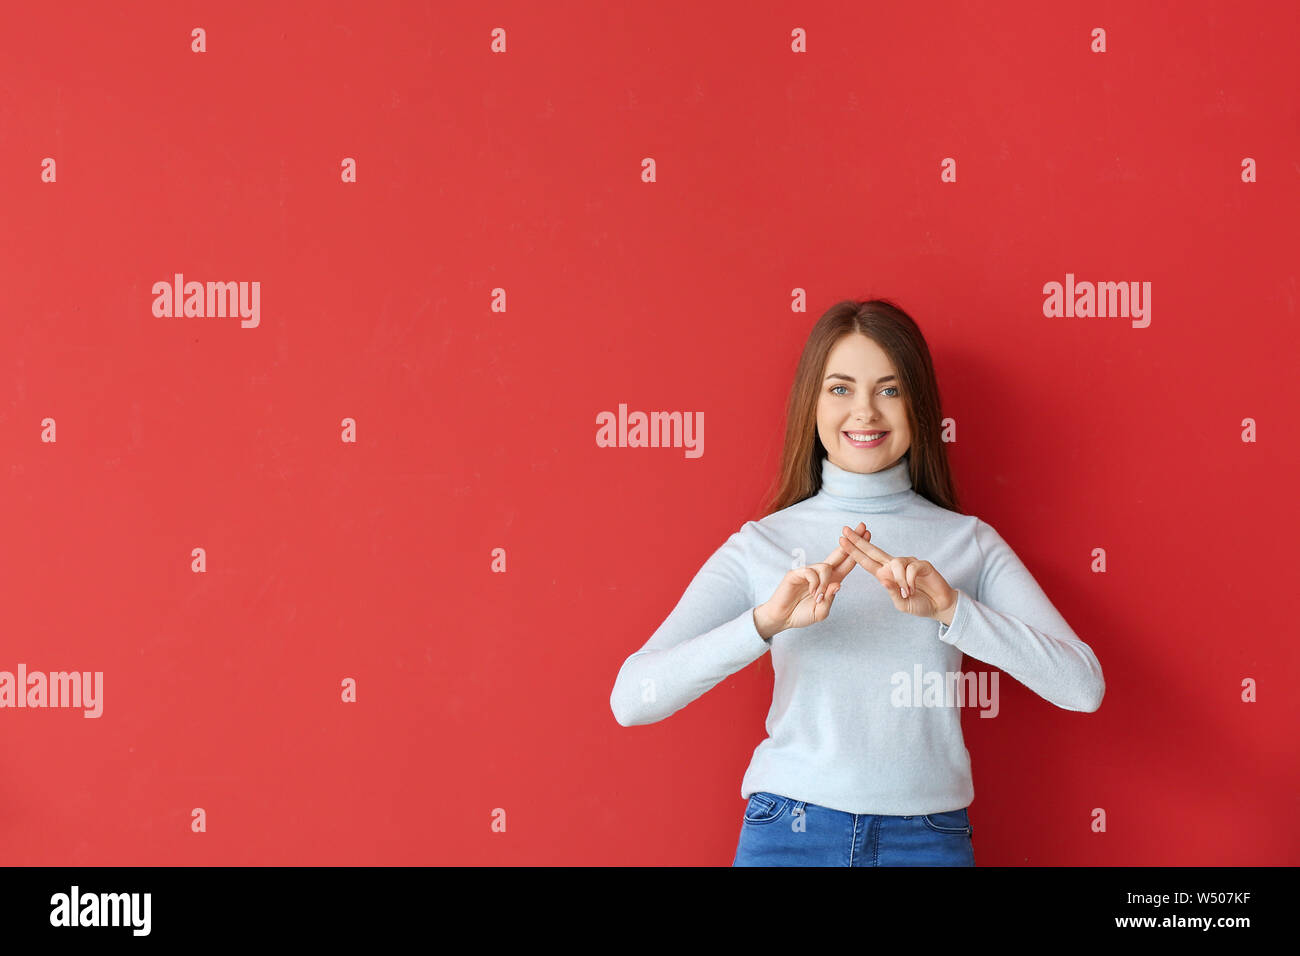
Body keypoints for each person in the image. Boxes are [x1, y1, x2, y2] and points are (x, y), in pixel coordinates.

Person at [609, 298, 1106, 867]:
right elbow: (631, 699)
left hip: (928, 838)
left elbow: (1082, 687)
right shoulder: (761, 543)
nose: (865, 412)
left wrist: (953, 611)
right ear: (811, 404)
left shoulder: (969, 542)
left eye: (890, 390)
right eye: (841, 389)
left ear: (919, 405)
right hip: (789, 834)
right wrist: (764, 624)